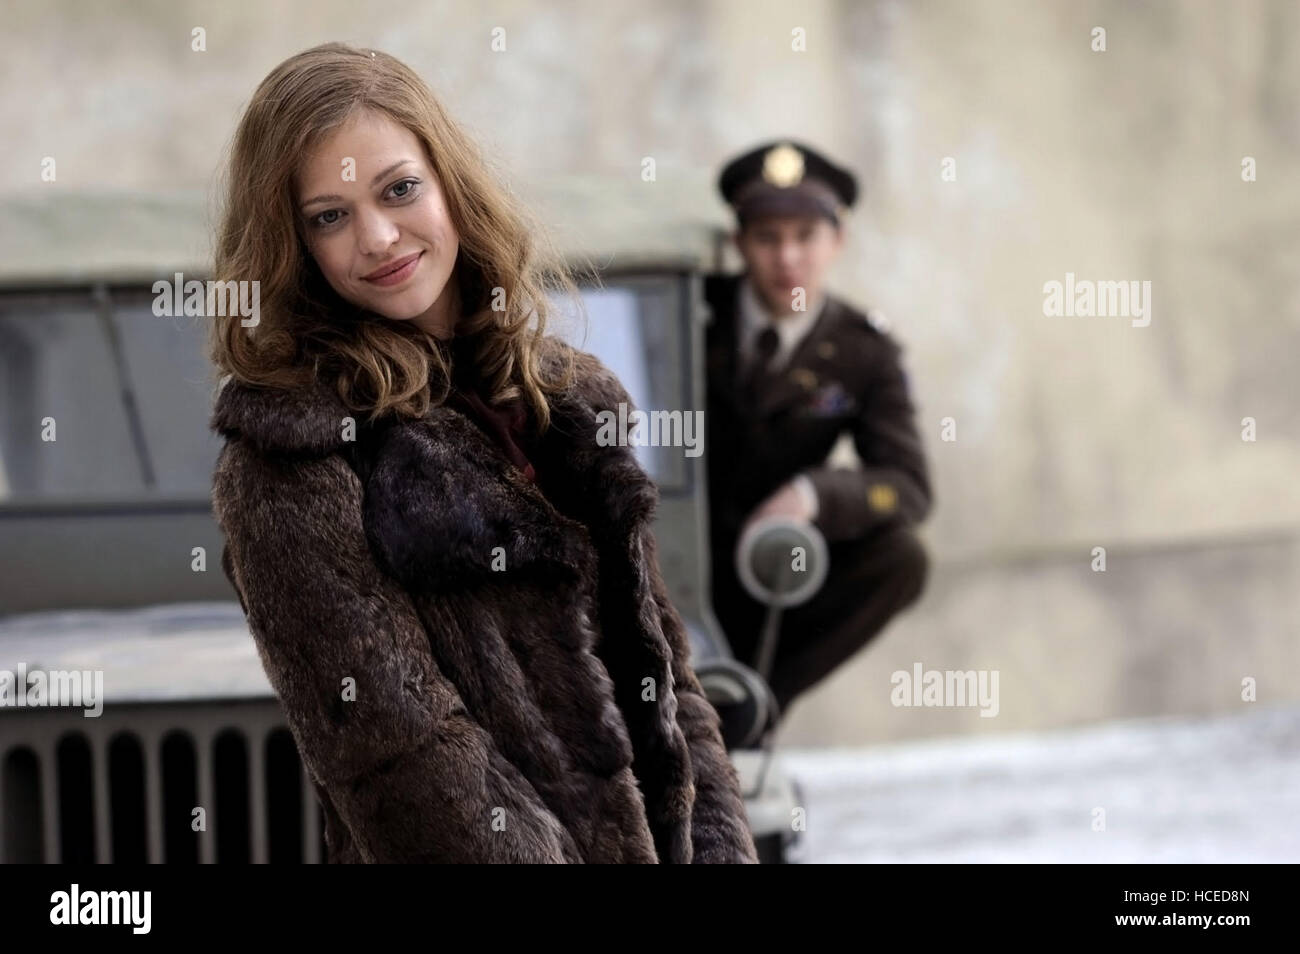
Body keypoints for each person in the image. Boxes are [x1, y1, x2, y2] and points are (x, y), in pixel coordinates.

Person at [207, 42, 757, 864]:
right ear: (297, 245)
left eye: (399, 190)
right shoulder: (292, 458)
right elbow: (405, 760)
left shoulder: (568, 398)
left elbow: (668, 682)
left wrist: (720, 849)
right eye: (330, 215)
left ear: (447, 180)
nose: (379, 236)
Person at [703, 139, 933, 718]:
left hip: (778, 568)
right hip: (673, 557)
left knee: (903, 557)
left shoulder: (864, 353)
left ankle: (749, 711)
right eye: (767, 237)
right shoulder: (693, 312)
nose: (787, 259)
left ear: (838, 241)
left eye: (805, 236)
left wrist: (812, 494)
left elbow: (906, 488)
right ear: (738, 244)